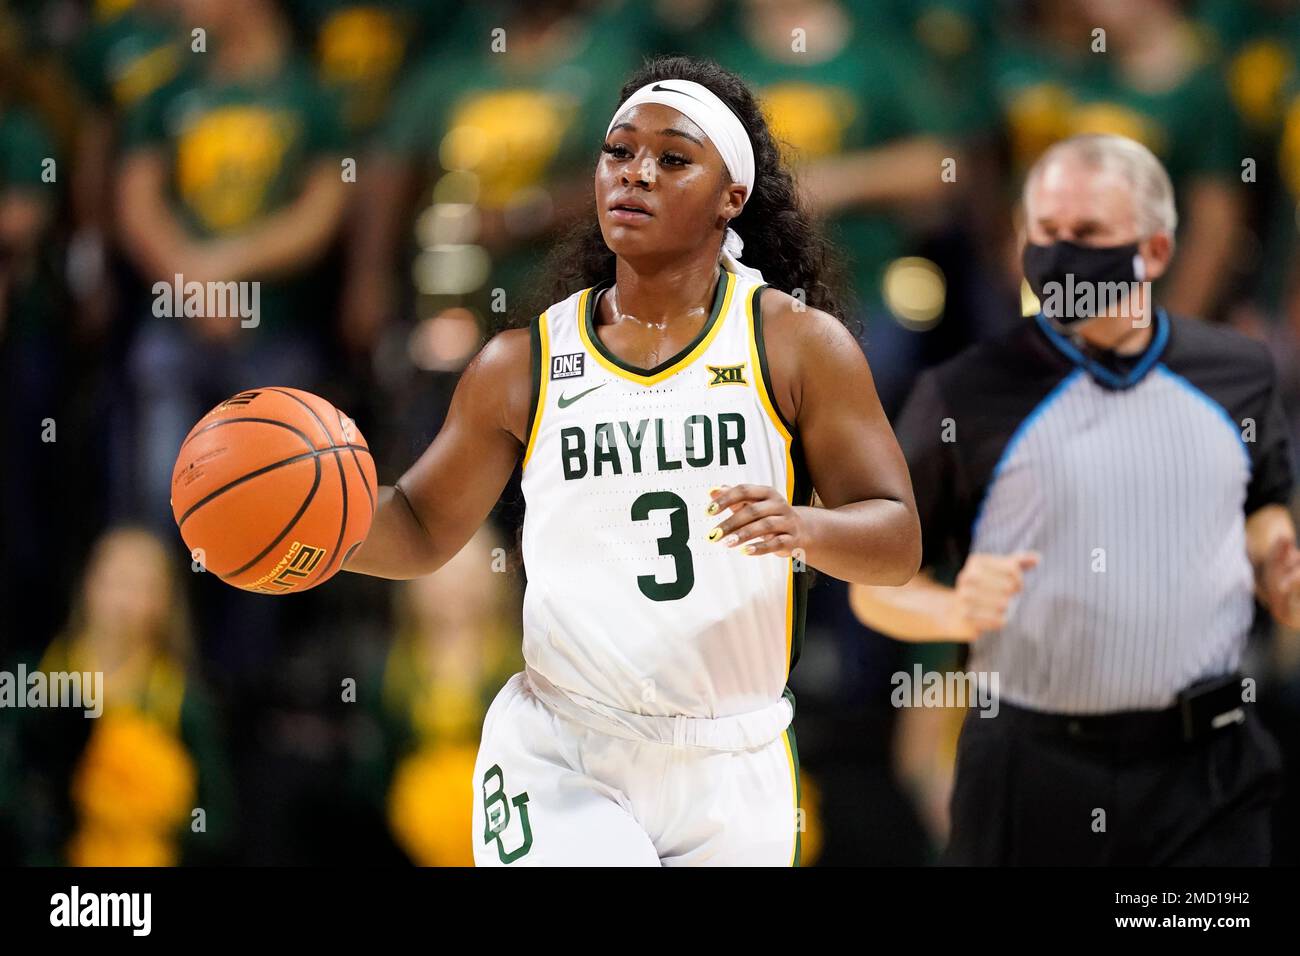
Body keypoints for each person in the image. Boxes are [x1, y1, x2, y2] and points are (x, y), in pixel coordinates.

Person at [343, 55, 922, 866]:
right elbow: (416, 526)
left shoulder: (794, 345)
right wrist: (304, 532)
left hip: (734, 758)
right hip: (565, 748)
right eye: (618, 152)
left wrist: (806, 527)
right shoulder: (524, 363)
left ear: (733, 196)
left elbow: (897, 541)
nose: (636, 173)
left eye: (673, 159)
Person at [852, 133, 1297, 865]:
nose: (1061, 253)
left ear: (1154, 252)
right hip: (1034, 763)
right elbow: (874, 578)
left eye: (1087, 234)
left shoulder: (1237, 373)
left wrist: (1275, 555)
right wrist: (952, 608)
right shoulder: (962, 393)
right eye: (1044, 232)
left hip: (1206, 768)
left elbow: (1264, 504)